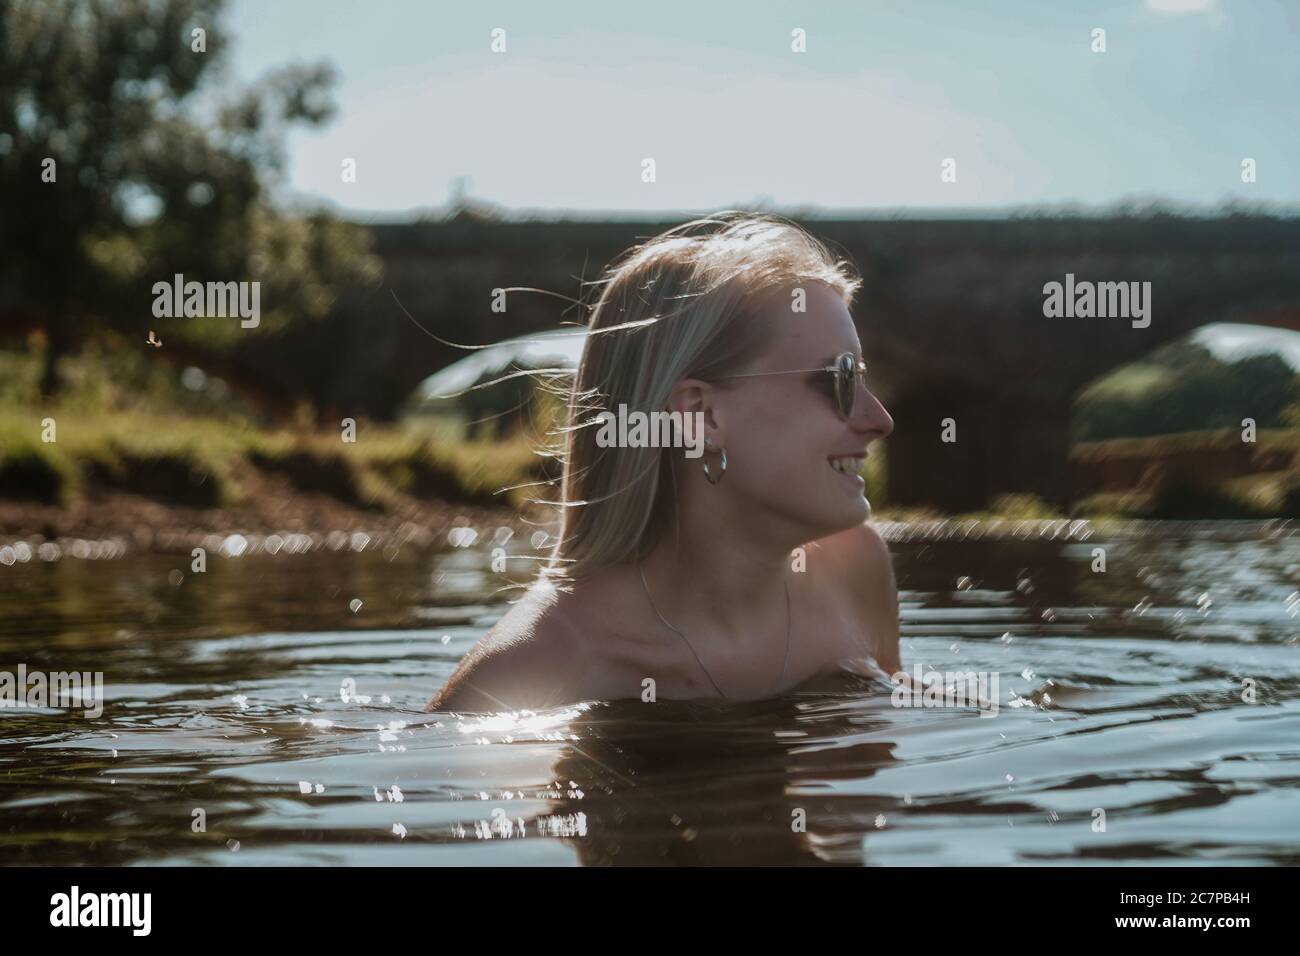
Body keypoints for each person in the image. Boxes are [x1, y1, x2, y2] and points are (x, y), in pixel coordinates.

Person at [426, 212, 899, 712]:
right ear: (701, 415)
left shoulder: (855, 571)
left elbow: (871, 769)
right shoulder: (537, 668)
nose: (880, 419)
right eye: (842, 379)